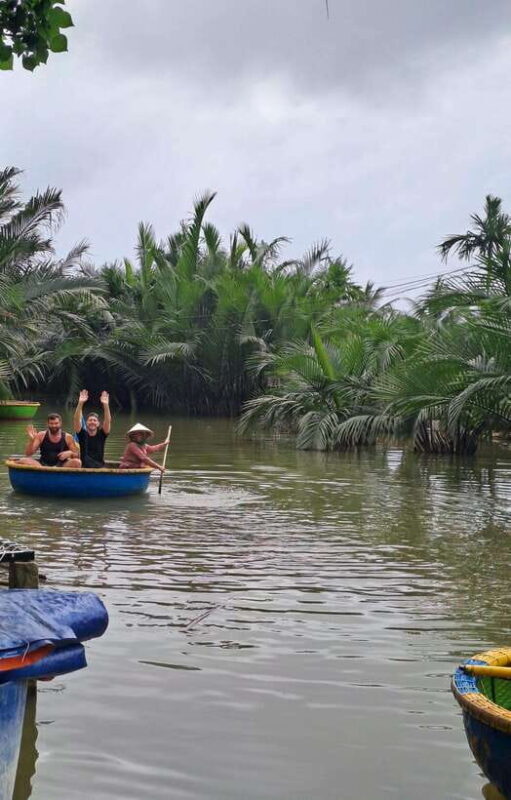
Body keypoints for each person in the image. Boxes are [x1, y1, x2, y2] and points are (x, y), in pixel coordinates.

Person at [73, 390, 111, 468]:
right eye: (90, 420)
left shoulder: (102, 435)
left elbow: (107, 420)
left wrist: (106, 405)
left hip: (99, 467)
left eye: (94, 420)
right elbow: (76, 419)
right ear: (86, 423)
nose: (92, 422)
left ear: (98, 424)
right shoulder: (82, 434)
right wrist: (80, 403)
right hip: (84, 467)